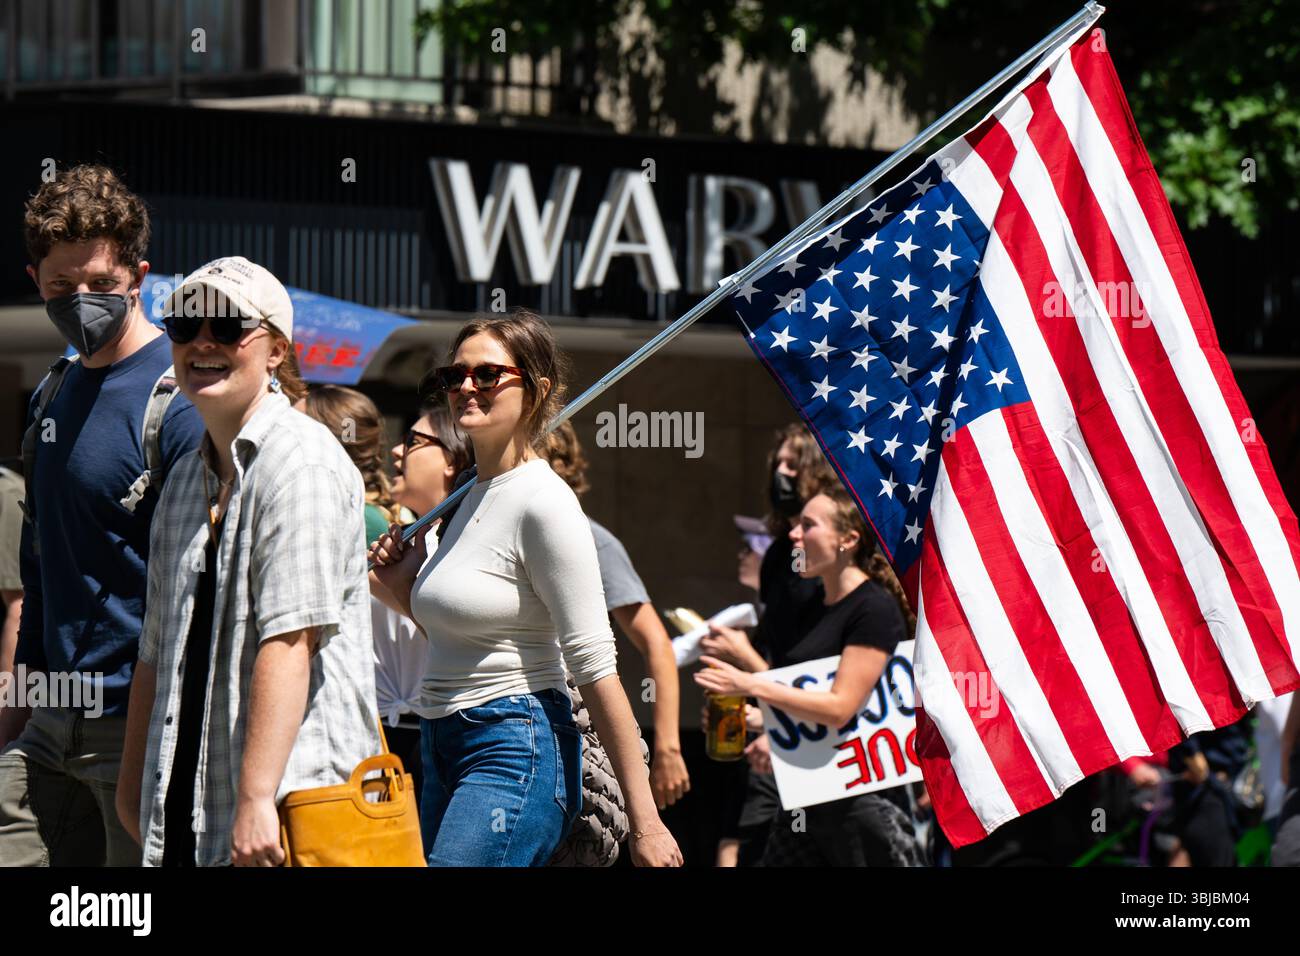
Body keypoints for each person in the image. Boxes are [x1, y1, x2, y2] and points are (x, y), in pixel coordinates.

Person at [370, 309, 682, 867]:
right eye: (454, 376)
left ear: (536, 389)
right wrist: (402, 586)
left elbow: (593, 662)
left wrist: (647, 821)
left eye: (487, 375)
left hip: (513, 747)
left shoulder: (544, 502)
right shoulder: (468, 498)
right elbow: (467, 639)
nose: (466, 386)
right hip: (443, 744)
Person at [115, 256, 380, 867]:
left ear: (276, 351)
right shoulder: (185, 477)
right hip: (192, 814)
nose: (203, 342)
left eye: (230, 326)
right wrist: (134, 792)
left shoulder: (301, 462)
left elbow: (290, 638)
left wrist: (259, 797)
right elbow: (155, 652)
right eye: (184, 325)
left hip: (291, 814)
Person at [0, 166, 205, 866]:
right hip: (48, 719)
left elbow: (194, 590)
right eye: (61, 288)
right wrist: (18, 705)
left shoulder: (176, 401)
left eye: (100, 285)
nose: (81, 301)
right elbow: (40, 564)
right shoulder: (52, 393)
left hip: (135, 730)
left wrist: (156, 735)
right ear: (36, 280)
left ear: (140, 275)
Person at [694, 485, 924, 867]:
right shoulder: (812, 608)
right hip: (807, 795)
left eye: (808, 525)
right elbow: (808, 700)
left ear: (847, 540)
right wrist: (755, 721)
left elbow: (839, 707)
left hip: (864, 802)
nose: (793, 534)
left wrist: (749, 684)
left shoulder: (873, 610)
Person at [543, 421, 689, 864]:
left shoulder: (590, 539)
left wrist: (667, 747)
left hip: (578, 737)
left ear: (559, 468)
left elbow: (657, 644)